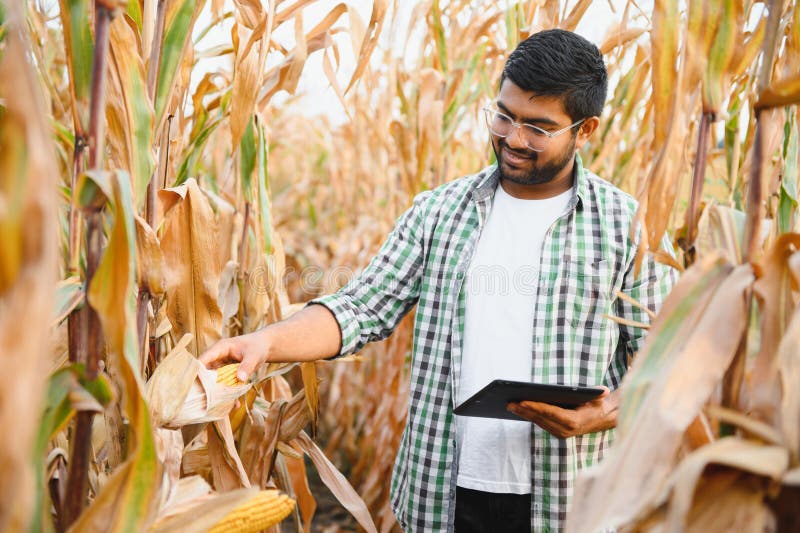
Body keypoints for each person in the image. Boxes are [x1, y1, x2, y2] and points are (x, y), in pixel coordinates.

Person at [200, 29, 677, 532]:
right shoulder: (439, 212)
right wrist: (266, 341)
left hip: (571, 499)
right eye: (504, 116)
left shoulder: (627, 226)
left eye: (538, 127)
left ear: (586, 131)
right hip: (442, 493)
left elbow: (665, 353)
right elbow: (361, 308)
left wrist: (606, 412)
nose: (513, 139)